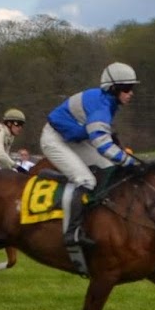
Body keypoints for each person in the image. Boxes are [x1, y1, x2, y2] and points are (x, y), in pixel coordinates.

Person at [41, 62, 140, 257]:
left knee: (109, 168)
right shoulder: (102, 106)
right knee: (86, 180)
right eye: (128, 89)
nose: (131, 93)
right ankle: (72, 233)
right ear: (114, 89)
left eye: (132, 88)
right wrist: (130, 162)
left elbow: (102, 140)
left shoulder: (108, 102)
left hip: (74, 139)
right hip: (55, 140)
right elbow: (103, 146)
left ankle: (96, 216)